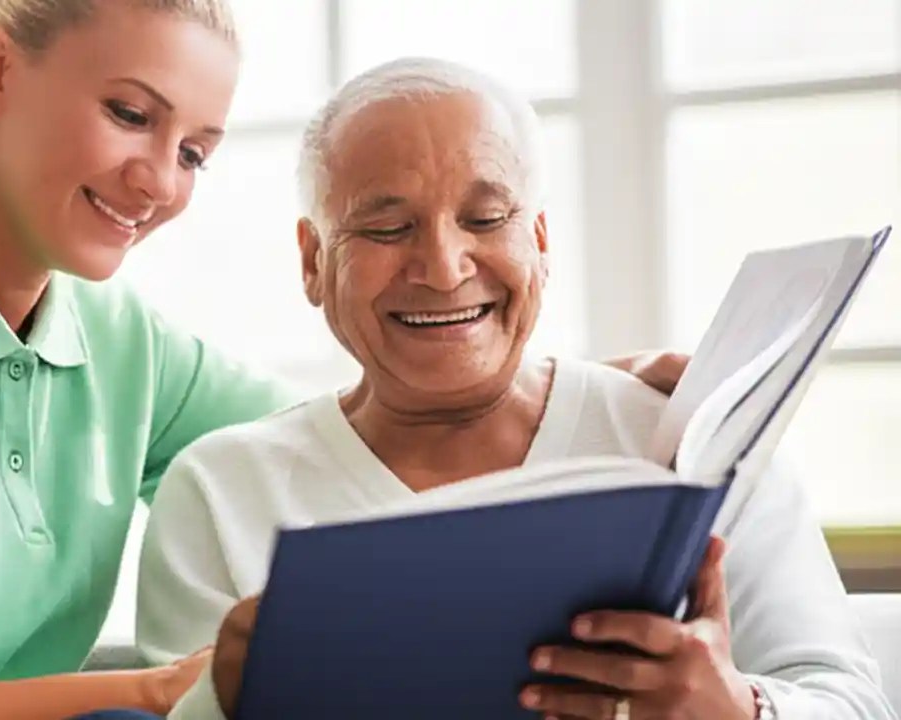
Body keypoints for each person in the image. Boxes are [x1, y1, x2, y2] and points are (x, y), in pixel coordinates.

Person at [0, 2, 685, 719]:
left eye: (194, 151)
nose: (159, 180)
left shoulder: (118, 342)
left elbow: (364, 431)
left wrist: (573, 389)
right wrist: (139, 691)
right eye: (129, 114)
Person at [135, 58, 897, 720]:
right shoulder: (221, 490)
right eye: (387, 228)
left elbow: (856, 701)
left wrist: (738, 708)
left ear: (538, 240)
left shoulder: (694, 444)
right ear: (312, 260)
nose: (442, 266)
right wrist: (224, 696)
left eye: (486, 217)